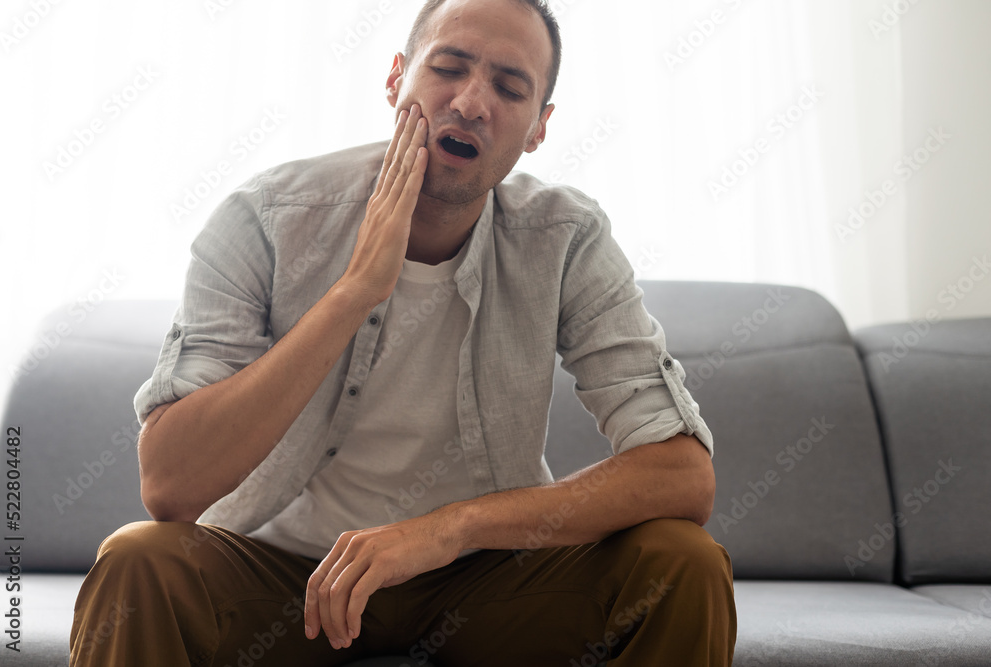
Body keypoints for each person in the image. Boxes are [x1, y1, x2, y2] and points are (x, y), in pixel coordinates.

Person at [70, 0, 736, 664]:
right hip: (284, 579)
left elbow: (682, 475)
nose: (472, 103)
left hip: (482, 579)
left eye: (510, 88)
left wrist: (449, 529)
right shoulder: (266, 219)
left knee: (683, 562)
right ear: (396, 79)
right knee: (138, 562)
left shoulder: (565, 237)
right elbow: (169, 483)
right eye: (448, 68)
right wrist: (355, 289)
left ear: (538, 128)